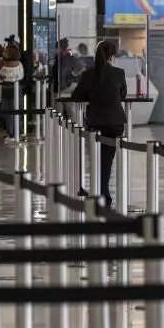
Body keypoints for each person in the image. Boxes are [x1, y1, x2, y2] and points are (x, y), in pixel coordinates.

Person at [70, 40, 126, 206]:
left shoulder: (88, 74)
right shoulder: (119, 73)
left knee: (98, 160)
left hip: (95, 122)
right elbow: (122, 95)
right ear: (112, 56)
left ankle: (102, 195)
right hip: (115, 122)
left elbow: (76, 96)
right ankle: (103, 195)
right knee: (106, 161)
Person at [0, 43, 24, 139]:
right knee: (17, 112)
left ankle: (10, 134)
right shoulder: (19, 64)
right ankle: (17, 133)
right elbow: (21, 76)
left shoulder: (3, 64)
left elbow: (0, 77)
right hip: (16, 89)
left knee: (8, 113)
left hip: (6, 89)